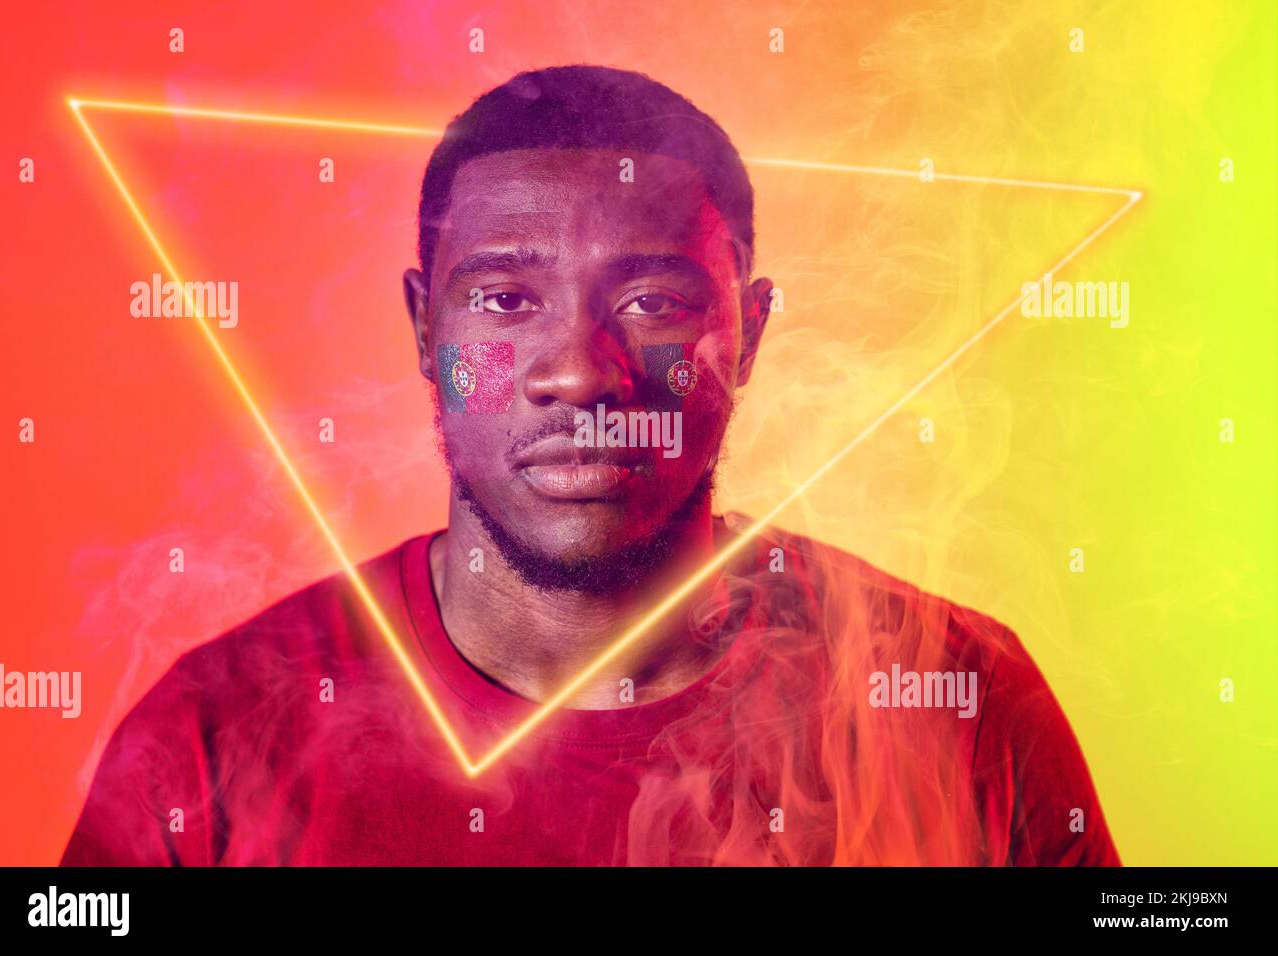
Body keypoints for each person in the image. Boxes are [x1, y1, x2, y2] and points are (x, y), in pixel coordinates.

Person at [62, 65, 1119, 866]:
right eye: (506, 301)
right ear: (423, 328)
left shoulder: (953, 701)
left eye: (652, 301)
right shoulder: (208, 743)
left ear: (746, 334)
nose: (576, 371)